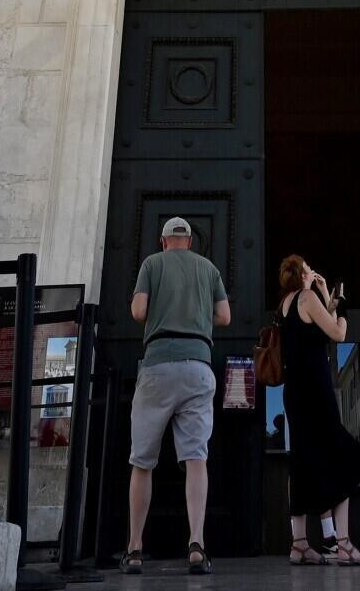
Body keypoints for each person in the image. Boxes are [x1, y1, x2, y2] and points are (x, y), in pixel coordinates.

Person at [125, 216, 230, 576]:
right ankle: (197, 543)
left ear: (164, 240)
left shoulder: (152, 264)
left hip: (158, 364)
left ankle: (135, 547)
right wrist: (198, 318)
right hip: (199, 365)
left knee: (142, 461)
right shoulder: (209, 269)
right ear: (190, 241)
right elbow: (225, 316)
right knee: (196, 457)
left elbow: (138, 311)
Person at [275, 254, 360, 566]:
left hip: (295, 394)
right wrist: (339, 305)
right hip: (316, 392)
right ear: (303, 273)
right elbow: (337, 333)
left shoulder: (286, 304)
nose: (312, 270)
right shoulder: (306, 297)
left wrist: (324, 300)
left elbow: (314, 329)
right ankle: (342, 543)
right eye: (308, 267)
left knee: (302, 463)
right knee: (339, 458)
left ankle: (300, 543)